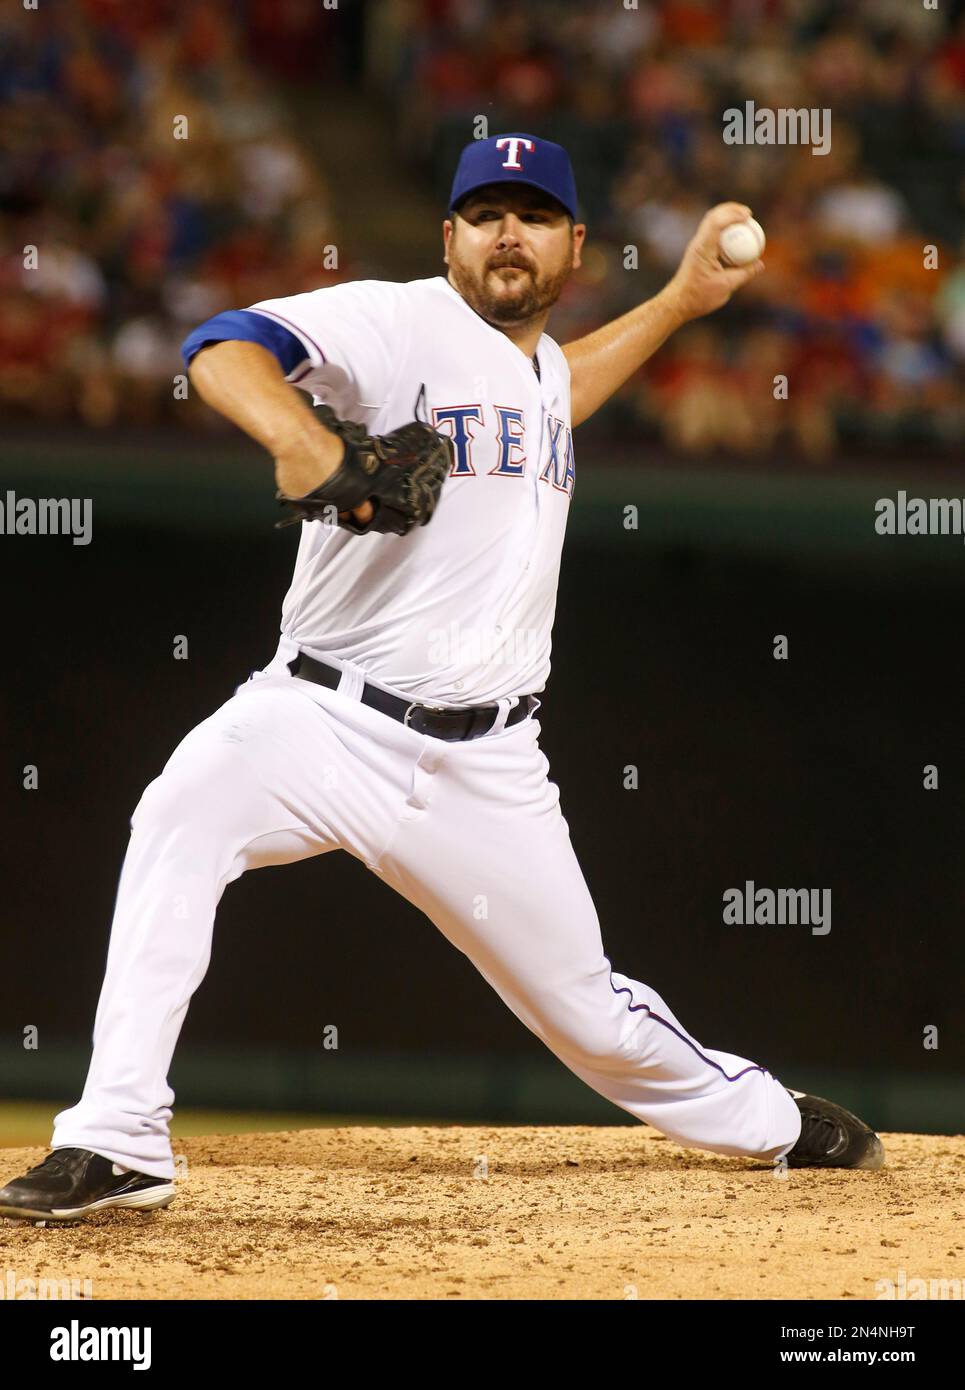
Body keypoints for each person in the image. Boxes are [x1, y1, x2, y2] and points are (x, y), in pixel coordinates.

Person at [0, 133, 883, 1225]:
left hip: (488, 765)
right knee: (178, 811)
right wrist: (303, 443)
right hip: (320, 714)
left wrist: (678, 303)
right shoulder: (396, 321)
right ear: (450, 237)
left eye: (531, 214)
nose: (505, 231)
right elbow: (220, 345)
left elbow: (556, 394)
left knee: (590, 1017)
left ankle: (771, 1121)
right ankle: (116, 1138)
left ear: (572, 245)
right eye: (482, 213)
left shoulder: (540, 365)